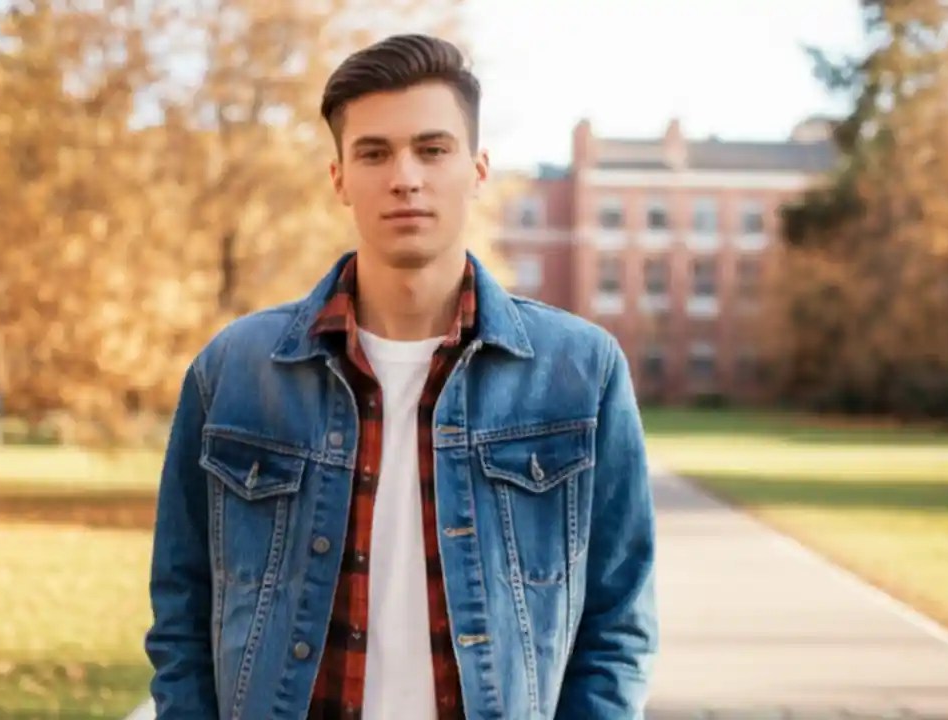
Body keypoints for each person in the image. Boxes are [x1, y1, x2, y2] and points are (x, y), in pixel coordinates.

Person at [145, 33, 658, 720]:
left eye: (432, 148)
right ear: (339, 179)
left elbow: (618, 623)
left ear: (477, 171)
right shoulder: (236, 373)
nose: (405, 177)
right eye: (374, 152)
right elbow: (181, 610)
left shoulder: (580, 374)